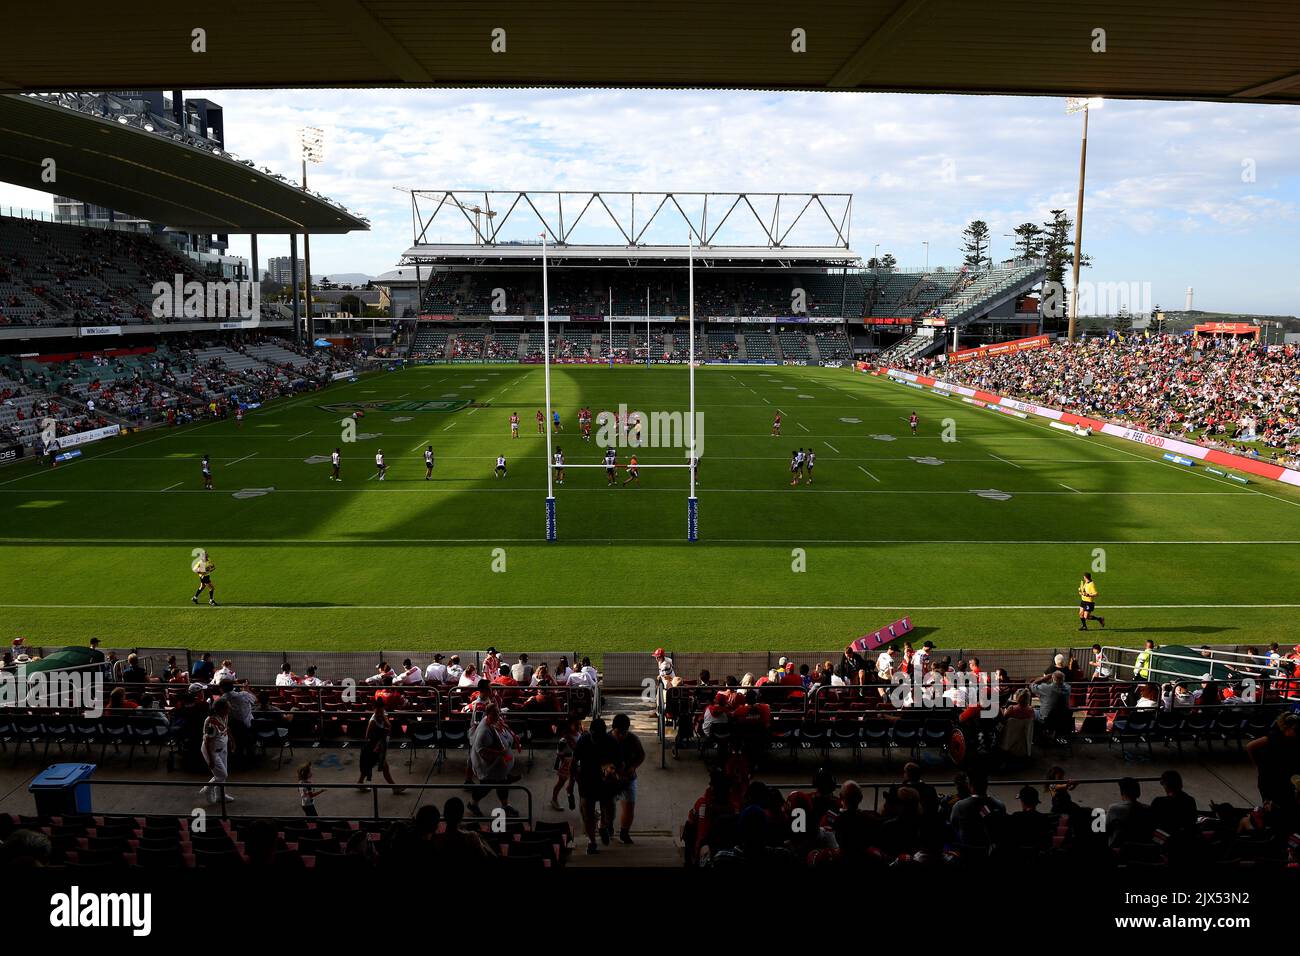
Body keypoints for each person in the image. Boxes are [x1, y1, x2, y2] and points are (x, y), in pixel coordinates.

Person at [572, 717, 622, 854]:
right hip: (587, 783)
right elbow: (574, 762)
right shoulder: (583, 740)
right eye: (594, 736)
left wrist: (611, 771)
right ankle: (592, 842)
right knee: (588, 815)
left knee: (609, 812)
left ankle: (603, 826)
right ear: (590, 732)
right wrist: (570, 786)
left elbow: (618, 764)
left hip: (605, 783)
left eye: (599, 736)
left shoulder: (612, 742)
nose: (596, 739)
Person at [467, 703, 520, 817]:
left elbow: (502, 728)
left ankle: (505, 805)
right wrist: (499, 753)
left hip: (497, 767)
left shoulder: (492, 720)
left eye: (498, 713)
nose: (497, 716)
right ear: (487, 714)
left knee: (502, 783)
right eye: (494, 714)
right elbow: (481, 751)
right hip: (487, 767)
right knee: (486, 787)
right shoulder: (484, 732)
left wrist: (512, 736)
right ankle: (473, 804)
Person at [611, 713, 645, 845]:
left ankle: (624, 832)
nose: (621, 736)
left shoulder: (633, 740)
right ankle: (606, 827)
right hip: (610, 780)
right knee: (607, 808)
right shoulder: (607, 740)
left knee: (629, 807)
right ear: (613, 729)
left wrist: (634, 767)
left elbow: (641, 755)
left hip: (628, 779)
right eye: (618, 732)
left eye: (624, 733)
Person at [356, 699, 404, 794]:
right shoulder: (373, 721)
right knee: (384, 767)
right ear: (374, 710)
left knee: (368, 766)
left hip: (380, 746)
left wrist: (383, 718)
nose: (379, 713)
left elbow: (389, 727)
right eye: (377, 711)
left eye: (381, 711)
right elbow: (367, 736)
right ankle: (395, 788)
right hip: (373, 747)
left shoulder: (383, 714)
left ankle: (360, 782)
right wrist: (378, 734)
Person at [200, 698, 233, 804]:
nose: (230, 709)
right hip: (212, 751)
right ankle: (207, 790)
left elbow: (226, 728)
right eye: (227, 708)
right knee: (222, 775)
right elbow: (207, 742)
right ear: (220, 709)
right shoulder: (211, 722)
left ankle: (220, 795)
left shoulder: (225, 716)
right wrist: (211, 759)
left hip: (222, 749)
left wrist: (232, 741)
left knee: (222, 774)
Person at [1106, 777, 1153, 849]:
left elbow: (1106, 830)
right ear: (1138, 792)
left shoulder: (1114, 809)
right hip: (1141, 849)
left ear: (1123, 792)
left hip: (1118, 850)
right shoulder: (1148, 809)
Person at [551, 717, 581, 811]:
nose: (578, 726)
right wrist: (565, 758)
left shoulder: (580, 734)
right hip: (567, 763)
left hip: (577, 763)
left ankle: (583, 804)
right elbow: (559, 753)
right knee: (561, 783)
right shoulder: (564, 739)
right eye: (575, 725)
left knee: (581, 783)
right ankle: (554, 799)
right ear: (569, 726)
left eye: (579, 724)